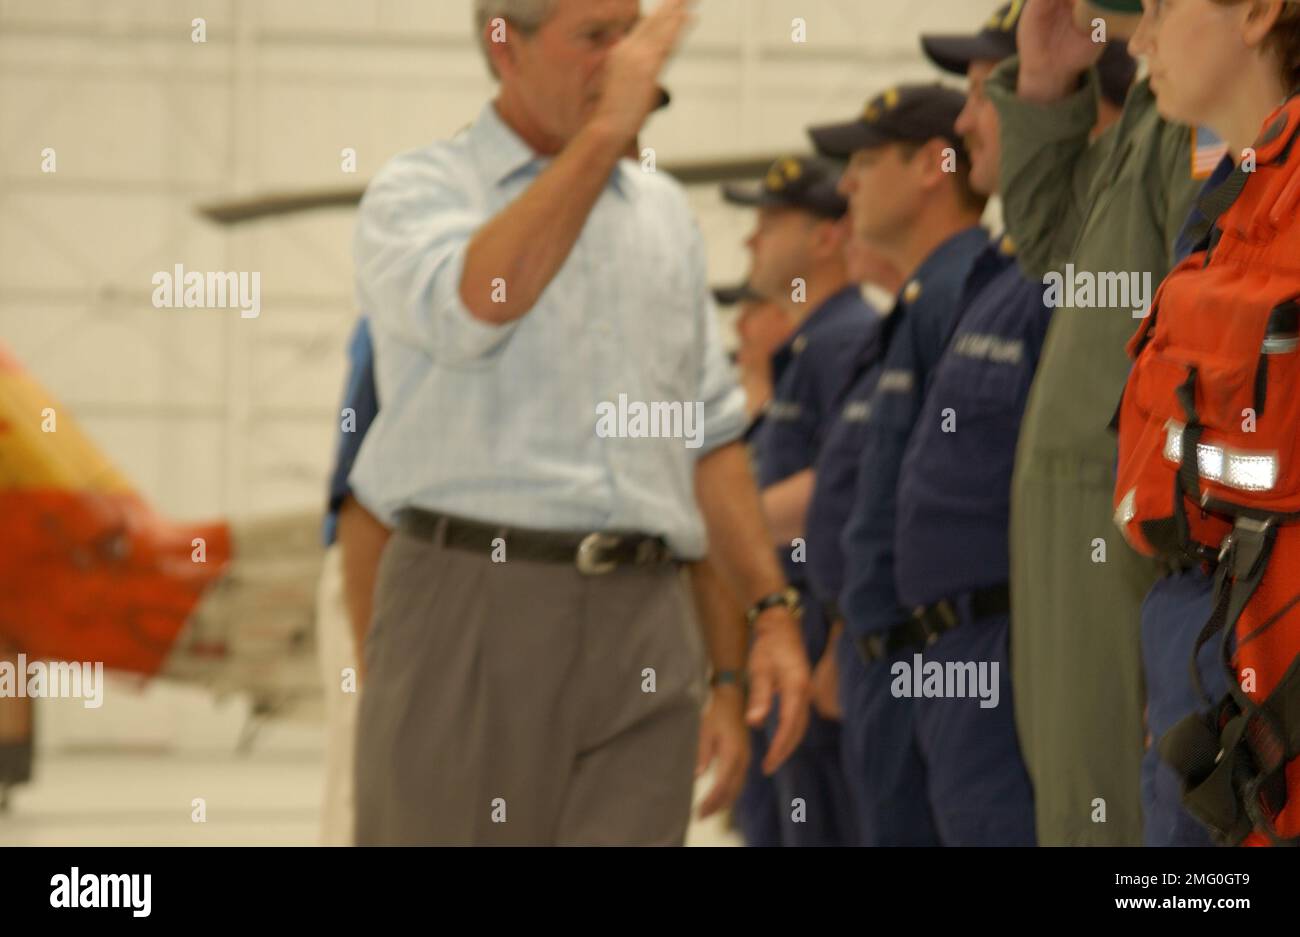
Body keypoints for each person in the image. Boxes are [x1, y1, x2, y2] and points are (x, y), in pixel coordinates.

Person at [347, 0, 810, 846]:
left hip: (646, 616)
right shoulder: (417, 193)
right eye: (596, 37)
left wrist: (767, 614)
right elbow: (481, 305)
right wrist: (602, 138)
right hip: (475, 602)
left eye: (633, 35)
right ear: (504, 46)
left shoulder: (665, 217)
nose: (627, 61)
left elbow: (707, 442)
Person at [984, 0, 1213, 845]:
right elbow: (1053, 248)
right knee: (1076, 791)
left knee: (1117, 806)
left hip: (1131, 518)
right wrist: (1046, 85)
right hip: (1078, 508)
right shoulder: (1158, 112)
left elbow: (1212, 345)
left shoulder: (1209, 124)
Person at [1113, 0, 1300, 847]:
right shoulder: (1231, 209)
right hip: (1202, 662)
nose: (1139, 38)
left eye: (1160, 6)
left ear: (1258, 12)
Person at [809, 83, 990, 846]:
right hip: (889, 654)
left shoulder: (962, 290)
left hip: (931, 655)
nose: (847, 185)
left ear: (930, 167)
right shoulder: (923, 299)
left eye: (866, 160)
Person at [722, 156, 879, 845]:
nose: (750, 242)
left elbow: (843, 492)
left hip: (821, 619)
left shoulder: (843, 340)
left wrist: (713, 521)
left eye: (768, 222)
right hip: (793, 620)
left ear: (824, 238)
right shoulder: (811, 346)